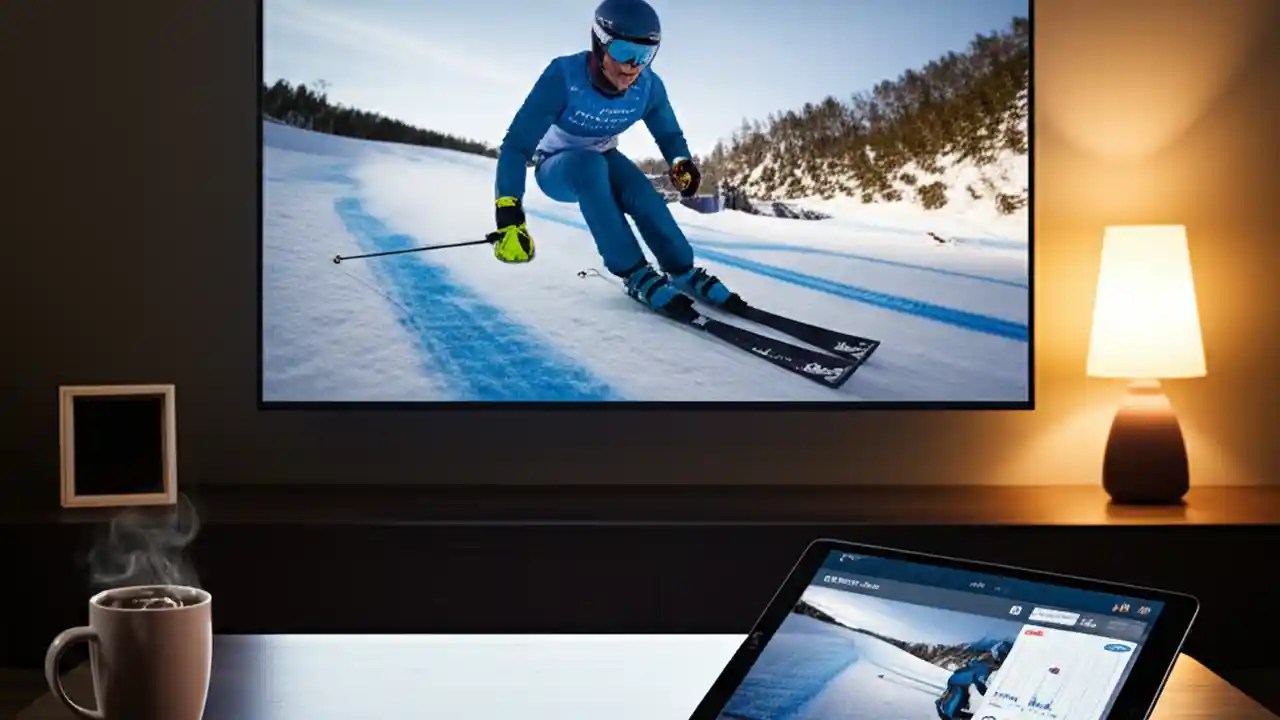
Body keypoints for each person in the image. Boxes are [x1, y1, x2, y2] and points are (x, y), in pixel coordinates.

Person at [486, 0, 739, 317]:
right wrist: (508, 212)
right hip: (558, 167)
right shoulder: (564, 76)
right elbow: (516, 146)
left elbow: (669, 134)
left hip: (605, 155)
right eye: (623, 51)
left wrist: (681, 161)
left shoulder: (647, 88)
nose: (633, 65)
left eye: (645, 55)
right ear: (599, 43)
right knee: (589, 166)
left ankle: (683, 270)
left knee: (640, 191)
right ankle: (634, 272)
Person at [935, 641, 1010, 720]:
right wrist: (991, 695)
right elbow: (979, 683)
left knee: (954, 710)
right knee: (952, 712)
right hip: (958, 687)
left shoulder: (983, 662)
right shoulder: (984, 667)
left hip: (957, 687)